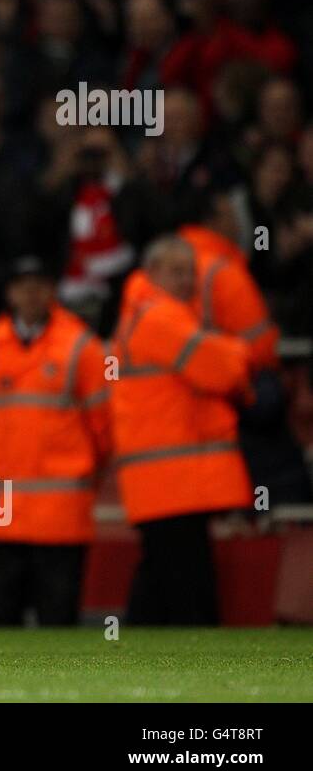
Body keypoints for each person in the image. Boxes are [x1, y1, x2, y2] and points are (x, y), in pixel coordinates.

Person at [0, 257, 111, 626]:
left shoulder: (80, 347)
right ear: (10, 293)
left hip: (59, 515)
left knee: (57, 621)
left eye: (39, 285)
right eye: (23, 286)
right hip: (3, 512)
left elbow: (103, 426)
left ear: (52, 291)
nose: (31, 294)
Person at [111, 236, 253, 625]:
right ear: (151, 273)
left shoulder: (149, 314)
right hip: (171, 478)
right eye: (176, 271)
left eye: (190, 272)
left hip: (165, 479)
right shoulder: (158, 316)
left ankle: (130, 661)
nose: (187, 280)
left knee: (162, 579)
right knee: (187, 585)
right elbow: (223, 370)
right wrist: (239, 352)